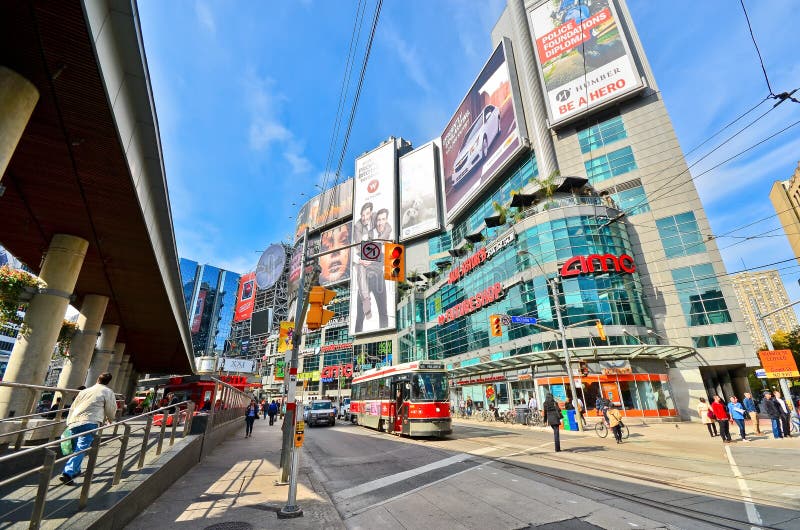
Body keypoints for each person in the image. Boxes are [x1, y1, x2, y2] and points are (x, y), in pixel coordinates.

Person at [59, 373, 117, 485]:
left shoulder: (84, 391)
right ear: (108, 382)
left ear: (97, 379)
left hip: (74, 421)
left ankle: (76, 470)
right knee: (82, 448)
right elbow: (111, 408)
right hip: (90, 421)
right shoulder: (107, 392)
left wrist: (69, 421)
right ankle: (68, 472)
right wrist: (111, 418)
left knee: (77, 448)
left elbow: (73, 406)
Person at [352, 202, 388, 331]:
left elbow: (387, 230)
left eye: (368, 214)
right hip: (365, 278)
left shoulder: (382, 224)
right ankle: (357, 338)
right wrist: (360, 259)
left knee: (383, 311)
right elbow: (354, 251)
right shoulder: (358, 227)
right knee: (359, 316)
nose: (365, 217)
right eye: (363, 214)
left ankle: (386, 334)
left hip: (378, 275)